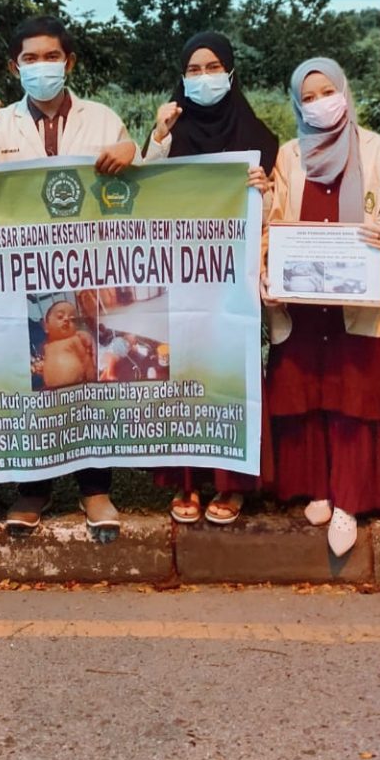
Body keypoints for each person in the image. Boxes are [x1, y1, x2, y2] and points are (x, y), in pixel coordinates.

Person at [0, 14, 138, 537]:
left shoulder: (103, 119)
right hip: (24, 277)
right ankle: (32, 489)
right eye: (31, 59)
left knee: (85, 379)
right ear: (13, 66)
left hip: (88, 267)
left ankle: (95, 489)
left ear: (70, 62)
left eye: (52, 57)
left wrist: (134, 152)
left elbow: (143, 192)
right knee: (34, 377)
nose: (42, 67)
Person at [264, 58, 380, 557]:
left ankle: (350, 499)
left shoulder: (378, 150)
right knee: (307, 387)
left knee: (354, 393)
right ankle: (317, 485)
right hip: (301, 301)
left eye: (328, 91)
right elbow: (274, 221)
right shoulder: (287, 155)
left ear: (344, 90)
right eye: (308, 96)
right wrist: (268, 266)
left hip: (355, 301)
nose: (320, 102)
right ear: (297, 105)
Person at [143, 30, 277, 525]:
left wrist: (261, 192)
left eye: (213, 67)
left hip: (230, 286)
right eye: (193, 70)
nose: (204, 78)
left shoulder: (259, 139)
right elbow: (142, 193)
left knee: (230, 373)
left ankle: (232, 484)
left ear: (231, 72)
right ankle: (186, 483)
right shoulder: (168, 134)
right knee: (180, 374)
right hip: (179, 281)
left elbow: (270, 218)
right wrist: (158, 135)